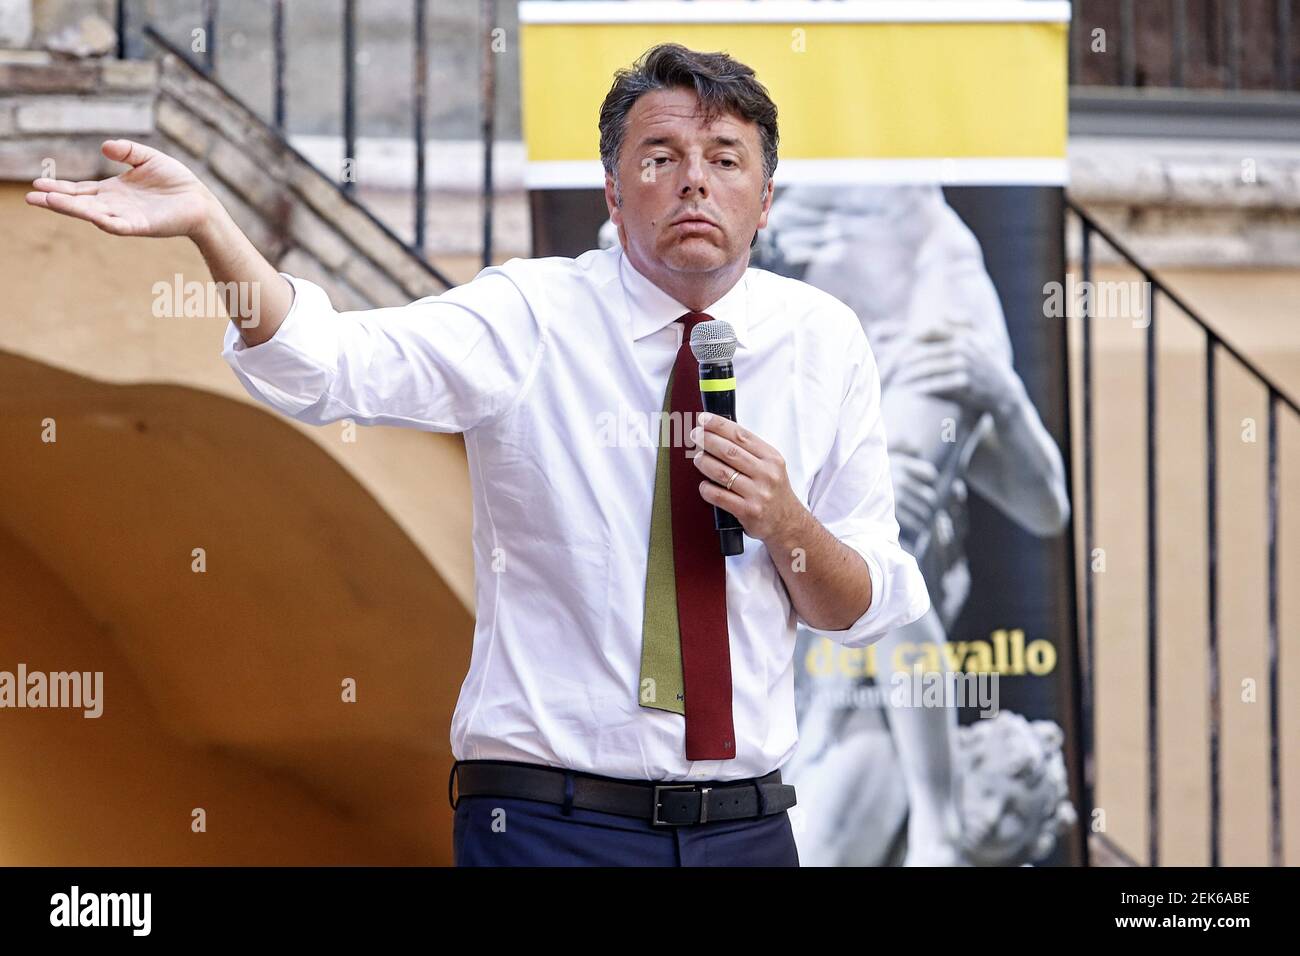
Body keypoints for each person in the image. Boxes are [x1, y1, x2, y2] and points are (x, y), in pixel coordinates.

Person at [25, 43, 930, 867]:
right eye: (660, 158)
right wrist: (215, 231)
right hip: (548, 825)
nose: (695, 182)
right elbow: (323, 366)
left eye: (726, 160)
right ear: (614, 192)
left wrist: (786, 521)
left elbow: (862, 608)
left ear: (765, 198)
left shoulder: (825, 339)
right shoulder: (527, 317)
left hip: (748, 829)